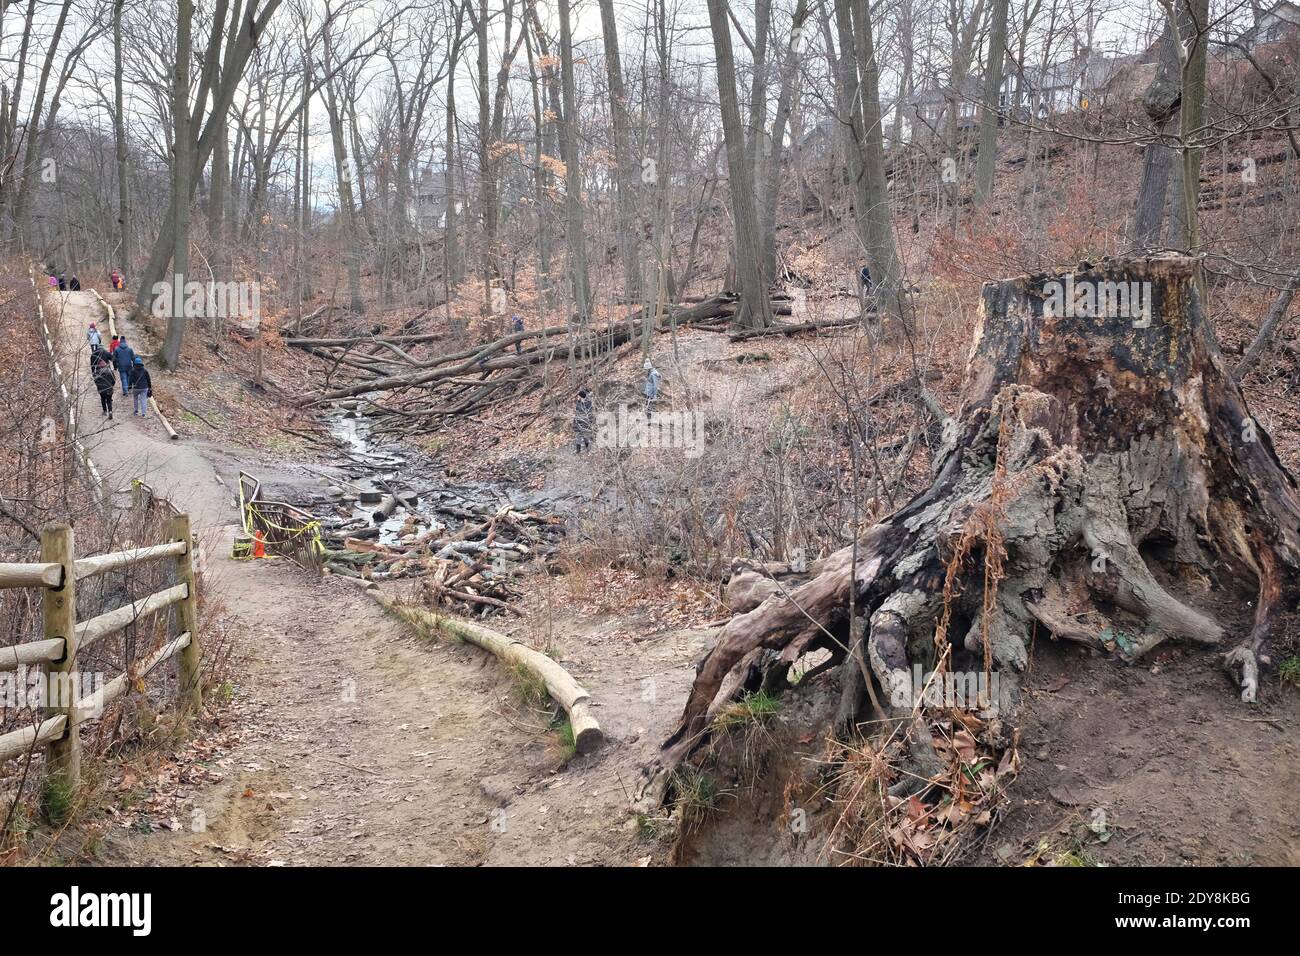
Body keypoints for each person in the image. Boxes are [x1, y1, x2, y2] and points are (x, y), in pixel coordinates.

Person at [91, 347, 115, 419]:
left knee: (103, 399)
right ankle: (110, 411)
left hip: (101, 388)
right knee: (109, 400)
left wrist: (98, 386)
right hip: (109, 387)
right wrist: (112, 385)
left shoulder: (97, 372)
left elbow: (96, 380)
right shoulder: (109, 371)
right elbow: (113, 379)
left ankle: (105, 411)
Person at [574, 388, 594, 453]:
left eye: (579, 395)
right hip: (578, 421)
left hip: (585, 421)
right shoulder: (578, 402)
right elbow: (576, 411)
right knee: (578, 435)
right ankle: (578, 450)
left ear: (581, 396)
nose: (578, 397)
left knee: (586, 435)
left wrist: (588, 421)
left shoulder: (588, 403)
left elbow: (589, 412)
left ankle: (588, 449)